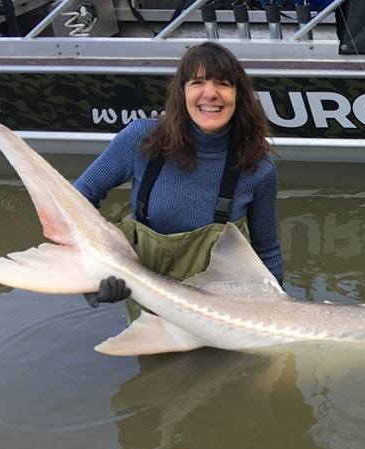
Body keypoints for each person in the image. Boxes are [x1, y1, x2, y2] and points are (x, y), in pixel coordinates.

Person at [74, 41, 282, 319]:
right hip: (151, 310)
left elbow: (267, 250)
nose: (210, 93)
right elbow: (76, 202)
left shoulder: (258, 167)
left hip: (223, 317)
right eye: (197, 82)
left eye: (223, 83)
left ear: (238, 95)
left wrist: (277, 314)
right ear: (182, 92)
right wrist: (91, 270)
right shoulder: (141, 139)